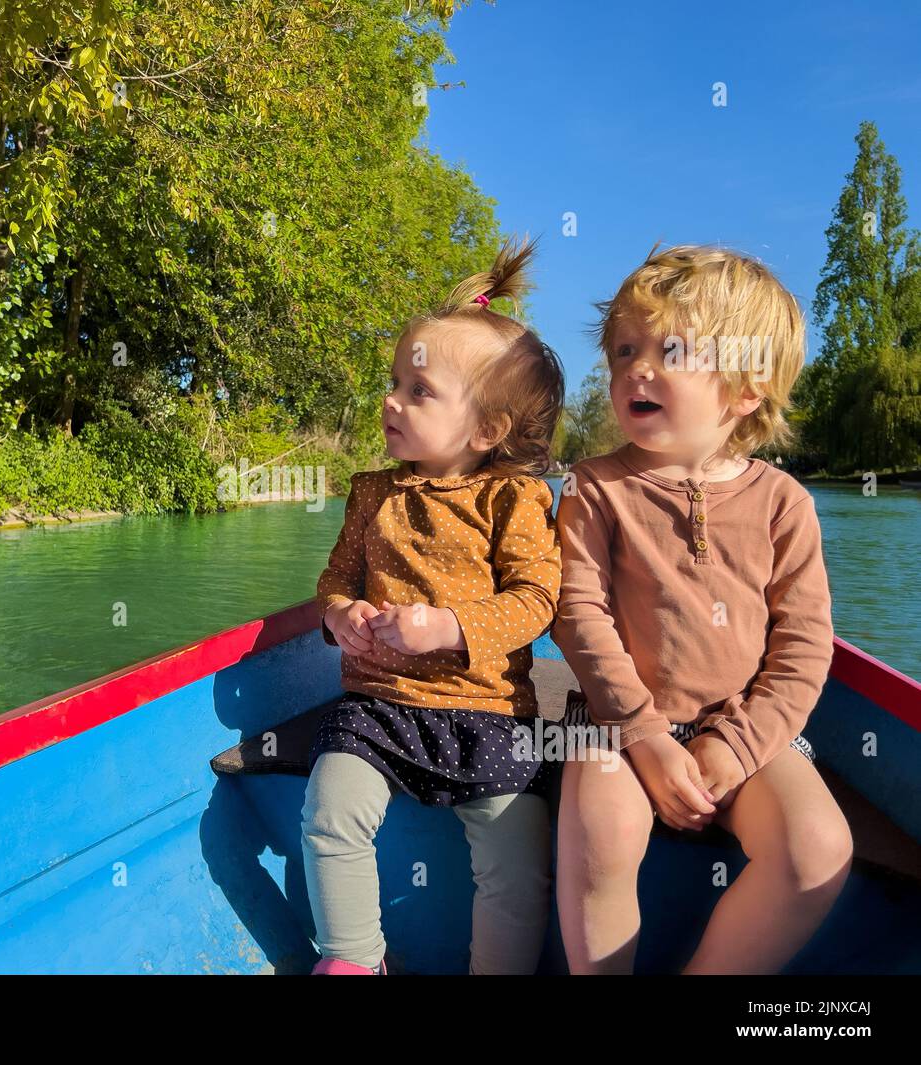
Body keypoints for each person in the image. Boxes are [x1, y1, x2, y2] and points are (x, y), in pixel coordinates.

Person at [552, 245, 852, 975]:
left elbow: (805, 648)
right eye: (625, 349)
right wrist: (646, 735)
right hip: (618, 725)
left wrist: (739, 746)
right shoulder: (596, 488)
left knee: (818, 848)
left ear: (745, 390)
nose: (636, 369)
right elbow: (577, 613)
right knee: (600, 823)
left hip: (748, 731)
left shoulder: (784, 504)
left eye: (670, 349)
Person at [303, 236, 565, 974]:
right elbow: (334, 582)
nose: (392, 399)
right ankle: (353, 958)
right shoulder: (370, 494)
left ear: (485, 429)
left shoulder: (513, 497)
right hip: (378, 705)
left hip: (487, 710)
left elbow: (537, 598)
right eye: (394, 382)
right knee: (331, 811)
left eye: (419, 391)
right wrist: (340, 615)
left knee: (516, 856)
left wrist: (447, 625)